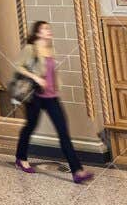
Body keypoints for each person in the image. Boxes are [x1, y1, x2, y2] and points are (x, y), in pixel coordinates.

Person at [12, 21, 94, 183]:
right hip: (34, 96)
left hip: (51, 97)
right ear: (37, 33)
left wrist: (56, 85)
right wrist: (35, 77)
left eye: (48, 28)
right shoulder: (31, 49)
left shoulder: (51, 49)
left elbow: (52, 72)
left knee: (63, 132)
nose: (48, 31)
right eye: (44, 29)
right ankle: (21, 158)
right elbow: (17, 67)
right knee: (30, 127)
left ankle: (77, 171)